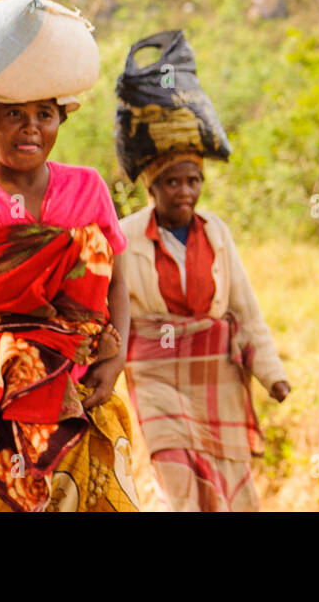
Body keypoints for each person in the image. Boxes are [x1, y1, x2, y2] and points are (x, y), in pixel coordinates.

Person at [0, 97, 141, 512]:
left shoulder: (87, 190)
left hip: (79, 390)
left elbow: (118, 283)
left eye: (44, 115)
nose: (30, 127)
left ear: (60, 121)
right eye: (14, 114)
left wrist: (117, 359)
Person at [119, 150, 290, 512]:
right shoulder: (125, 235)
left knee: (227, 478)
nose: (185, 191)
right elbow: (108, 308)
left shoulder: (216, 232)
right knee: (175, 473)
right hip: (153, 377)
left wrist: (272, 374)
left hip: (215, 376)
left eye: (193, 181)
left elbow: (245, 309)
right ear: (152, 187)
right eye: (173, 182)